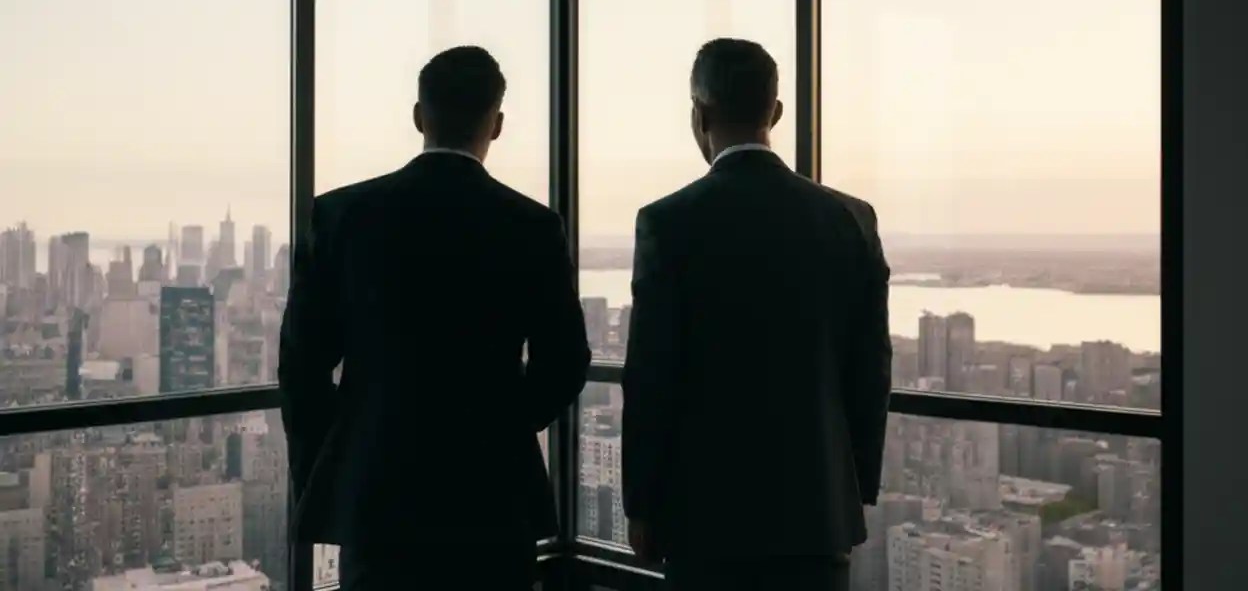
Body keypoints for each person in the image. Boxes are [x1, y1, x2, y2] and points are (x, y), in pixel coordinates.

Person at [279, 46, 590, 590]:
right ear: (496, 125)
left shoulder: (343, 216)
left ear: (419, 116)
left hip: (377, 496)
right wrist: (504, 424)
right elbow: (565, 360)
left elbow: (302, 367)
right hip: (491, 498)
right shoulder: (531, 226)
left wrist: (338, 469)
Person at [621, 38, 892, 591]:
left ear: (700, 115)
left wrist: (643, 505)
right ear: (776, 112)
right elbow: (871, 370)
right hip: (817, 513)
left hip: (705, 518)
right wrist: (853, 487)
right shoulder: (851, 219)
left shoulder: (669, 223)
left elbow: (651, 378)